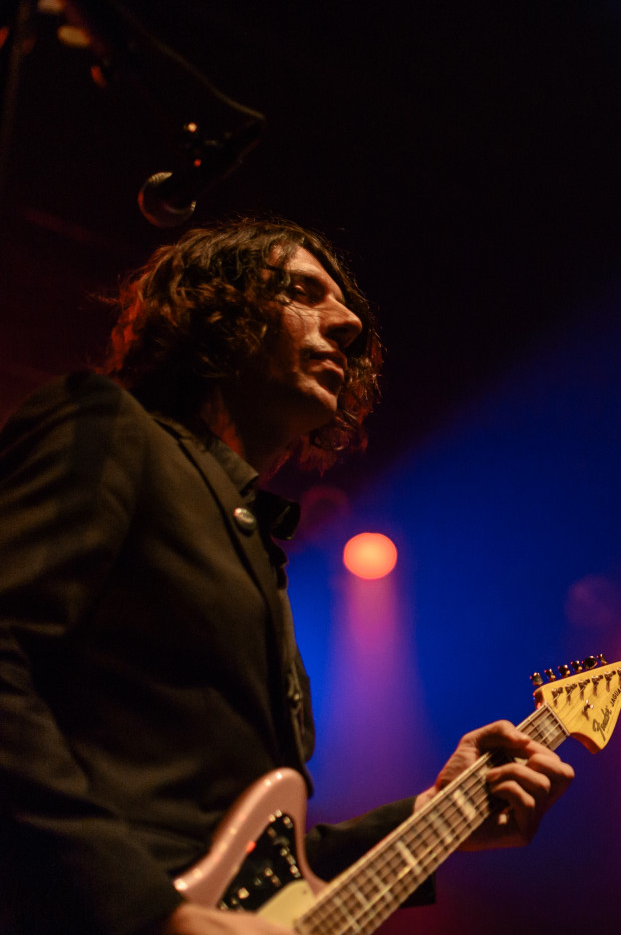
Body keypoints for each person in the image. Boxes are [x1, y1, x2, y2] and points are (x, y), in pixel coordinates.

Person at [0, 217, 574, 935]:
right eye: (305, 293)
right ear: (216, 312)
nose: (349, 324)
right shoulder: (110, 425)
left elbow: (267, 869)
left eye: (348, 312)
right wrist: (150, 913)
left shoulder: (252, 542)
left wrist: (438, 816)